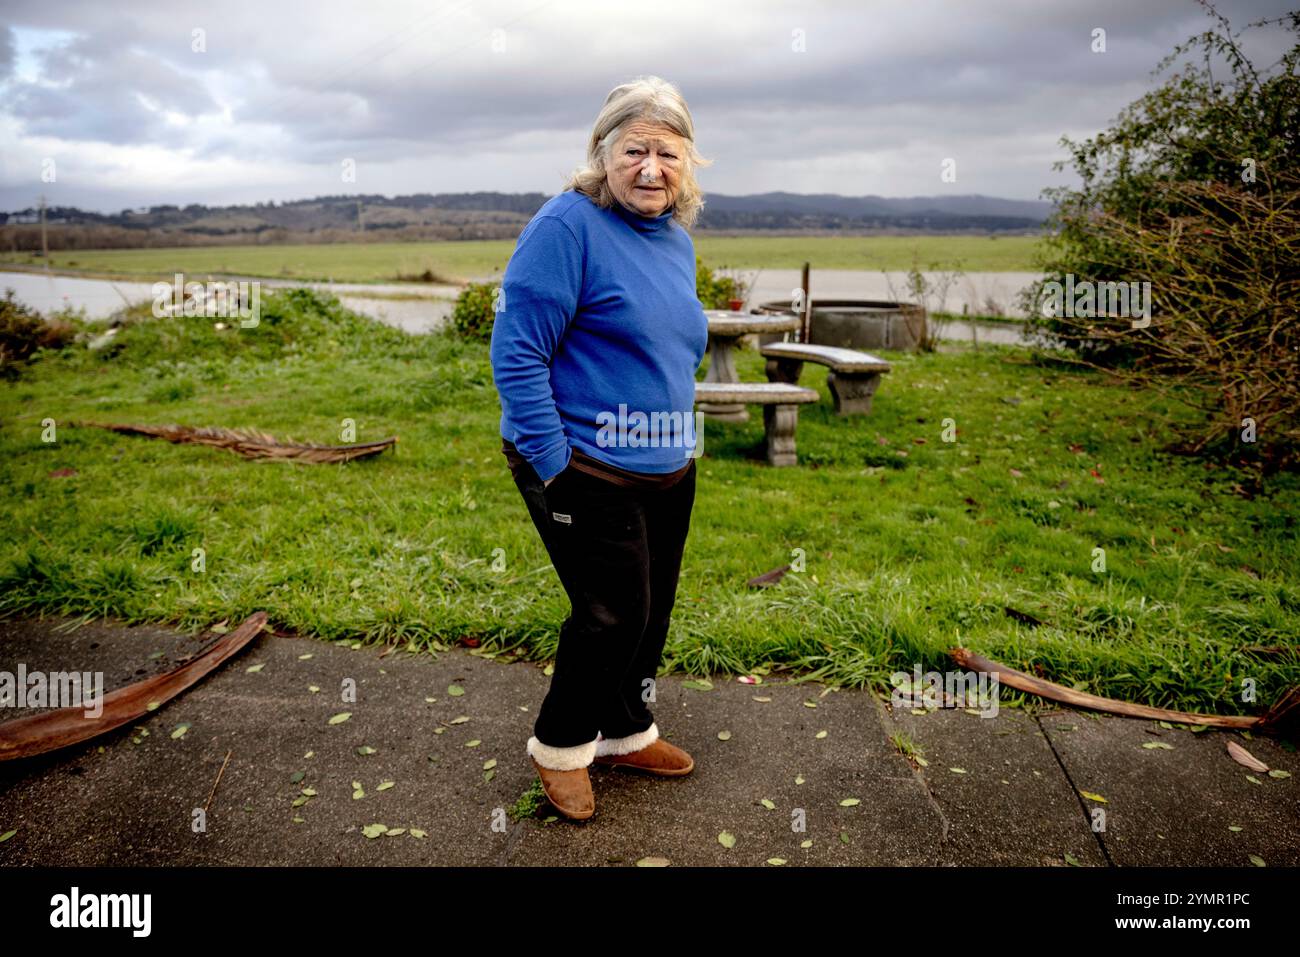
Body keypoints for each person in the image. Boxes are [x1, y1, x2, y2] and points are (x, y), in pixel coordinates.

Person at [489, 75, 713, 820]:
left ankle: (626, 729)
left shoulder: (673, 240)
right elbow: (516, 356)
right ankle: (559, 746)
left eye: (667, 153)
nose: (651, 169)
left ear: (689, 162)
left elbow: (669, 345)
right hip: (583, 462)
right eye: (634, 150)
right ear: (603, 153)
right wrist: (557, 468)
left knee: (650, 613)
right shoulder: (567, 227)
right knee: (610, 612)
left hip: (666, 464)